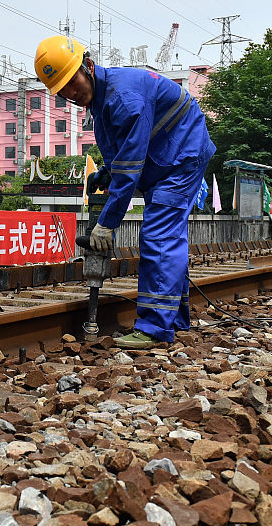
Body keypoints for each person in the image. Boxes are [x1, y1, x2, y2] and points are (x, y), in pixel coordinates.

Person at [35, 35, 215, 350]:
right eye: (62, 90)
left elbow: (130, 166)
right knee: (165, 238)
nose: (71, 93)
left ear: (88, 66)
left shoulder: (123, 98)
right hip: (163, 158)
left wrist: (107, 223)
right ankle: (175, 319)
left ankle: (155, 328)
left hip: (182, 158)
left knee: (159, 236)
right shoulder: (102, 99)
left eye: (72, 81)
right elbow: (125, 148)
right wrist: (108, 172)